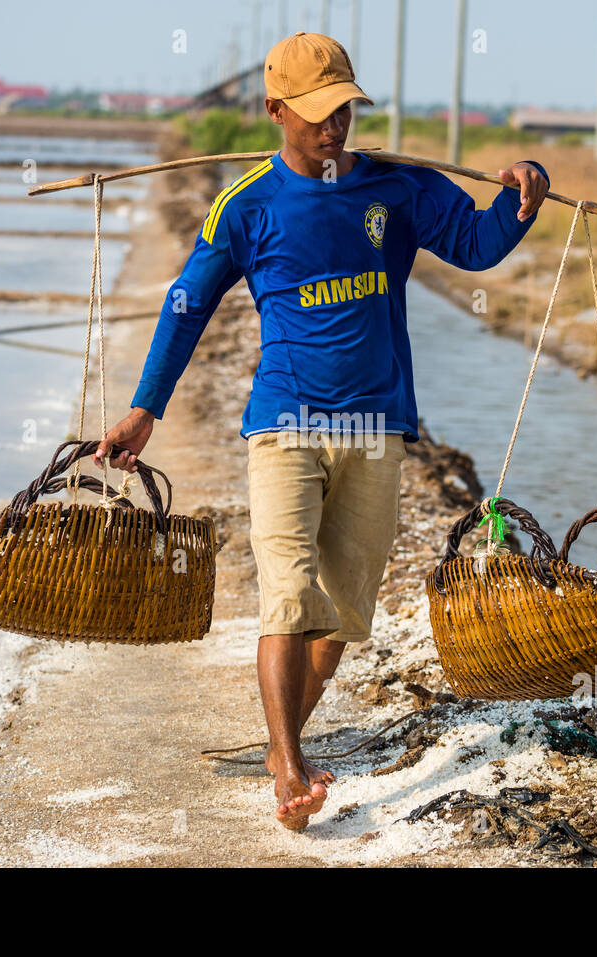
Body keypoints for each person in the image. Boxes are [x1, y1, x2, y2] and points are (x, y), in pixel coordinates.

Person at [94, 32, 549, 831]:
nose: (333, 127)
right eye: (314, 115)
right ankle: (291, 772)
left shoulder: (398, 188)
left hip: (378, 430)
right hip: (285, 425)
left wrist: (522, 194)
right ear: (274, 111)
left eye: (343, 110)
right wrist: (146, 406)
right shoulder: (248, 206)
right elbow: (186, 304)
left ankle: (282, 743)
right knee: (288, 597)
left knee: (339, 612)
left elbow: (477, 245)